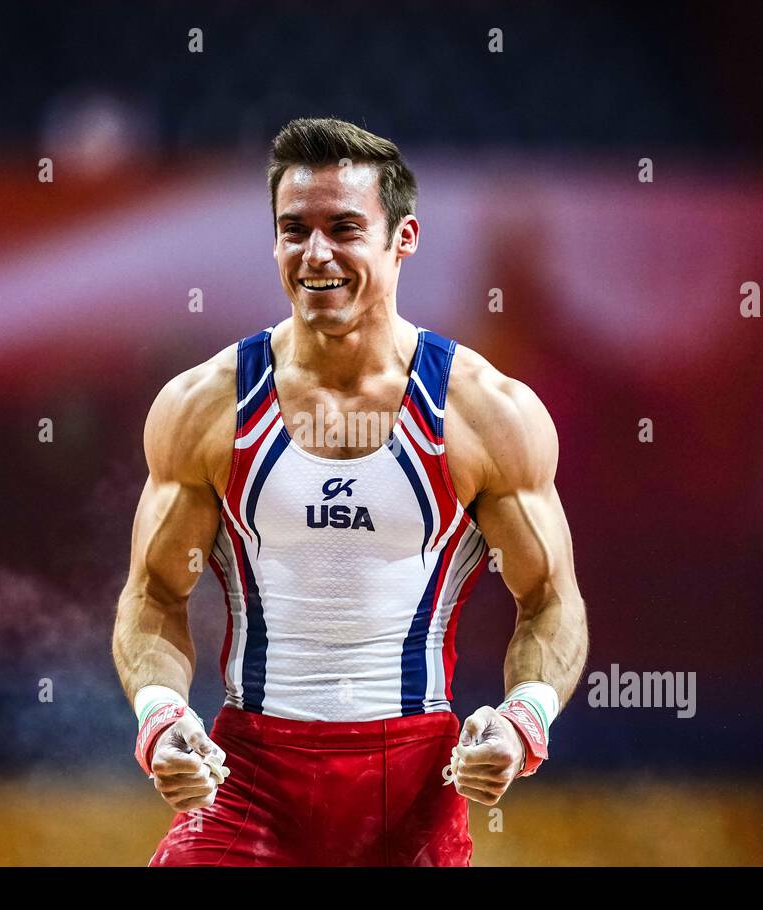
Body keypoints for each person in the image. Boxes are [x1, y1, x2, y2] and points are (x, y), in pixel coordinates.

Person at [111, 117, 588, 866]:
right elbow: (153, 596)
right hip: (249, 783)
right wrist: (162, 715)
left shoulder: (484, 413)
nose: (315, 254)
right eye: (293, 230)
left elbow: (553, 601)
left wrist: (523, 718)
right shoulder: (205, 407)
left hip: (412, 793)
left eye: (344, 228)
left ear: (404, 238)